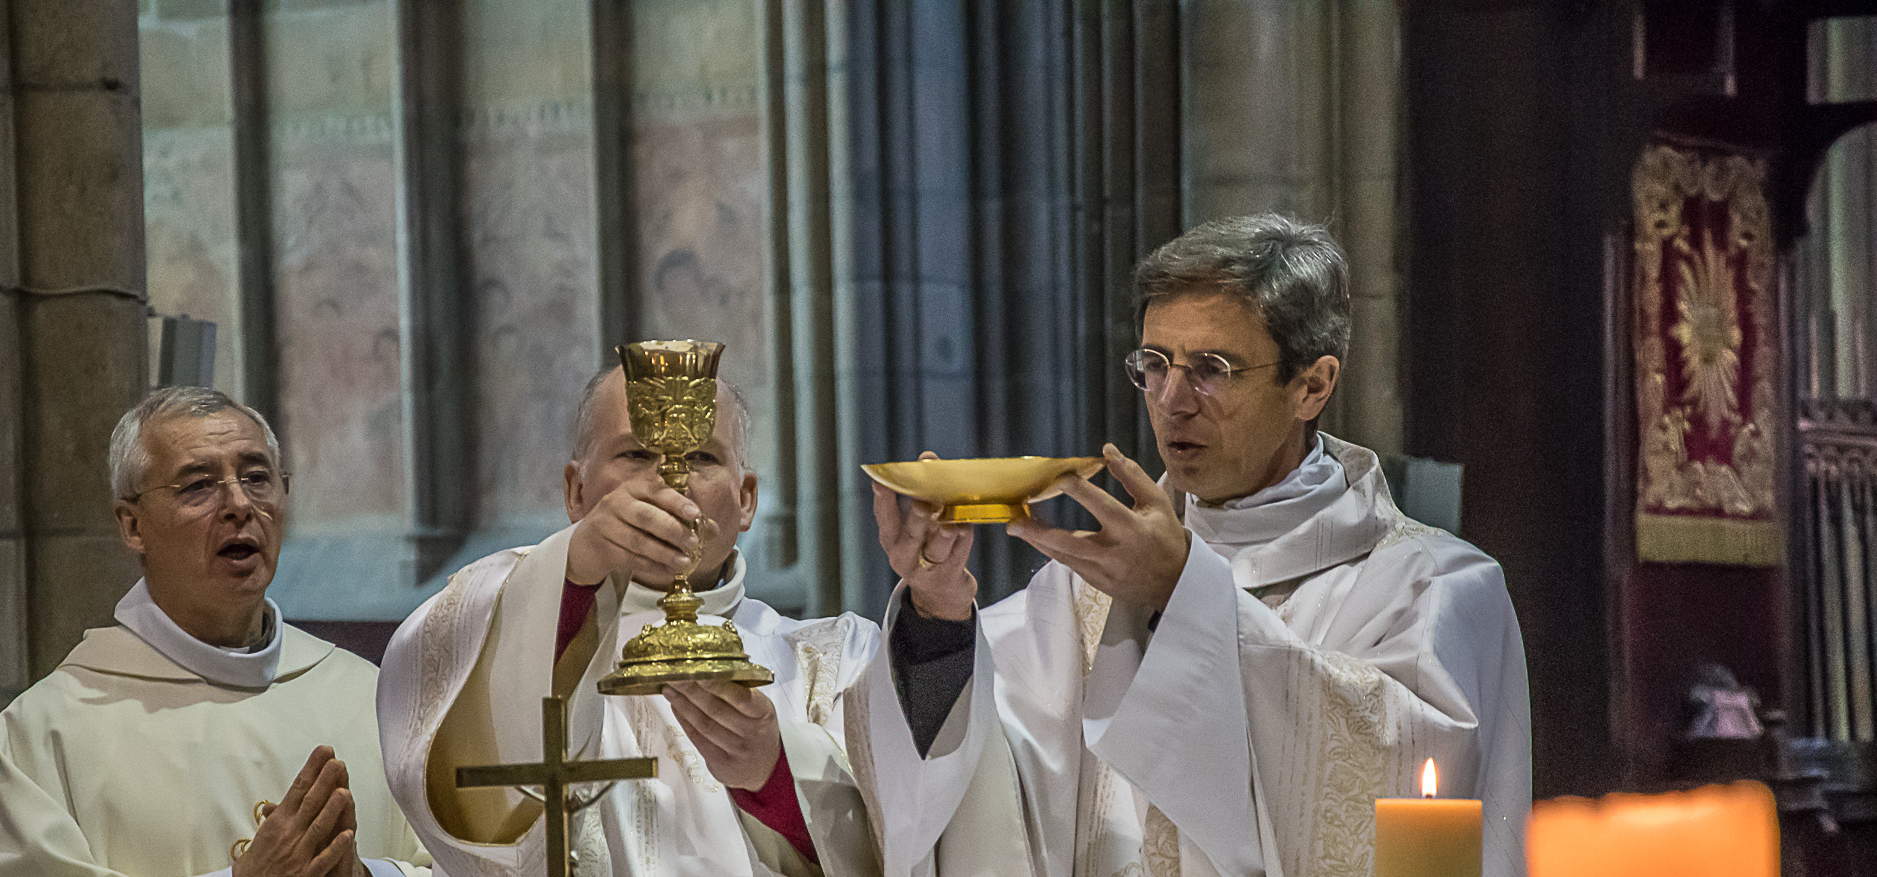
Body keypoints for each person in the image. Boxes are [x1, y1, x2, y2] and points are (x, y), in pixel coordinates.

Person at [854, 214, 1531, 877]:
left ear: (1312, 385)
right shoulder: (1090, 587)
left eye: (1213, 368)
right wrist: (938, 610)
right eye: (1155, 365)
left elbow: (1404, 786)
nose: (1172, 400)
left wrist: (1183, 595)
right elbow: (981, 787)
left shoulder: (1434, 588)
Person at [377, 367, 880, 877]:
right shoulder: (509, 608)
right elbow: (435, 679)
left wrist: (775, 775)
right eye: (636, 454)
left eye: (701, 457)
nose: (670, 482)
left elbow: (902, 839)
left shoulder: (835, 658)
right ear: (576, 491)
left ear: (745, 498)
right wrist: (575, 573)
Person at [0, 387, 431, 877]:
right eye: (198, 486)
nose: (239, 504)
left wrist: (364, 875)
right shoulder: (46, 729)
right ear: (133, 526)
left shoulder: (371, 699)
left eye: (256, 478)